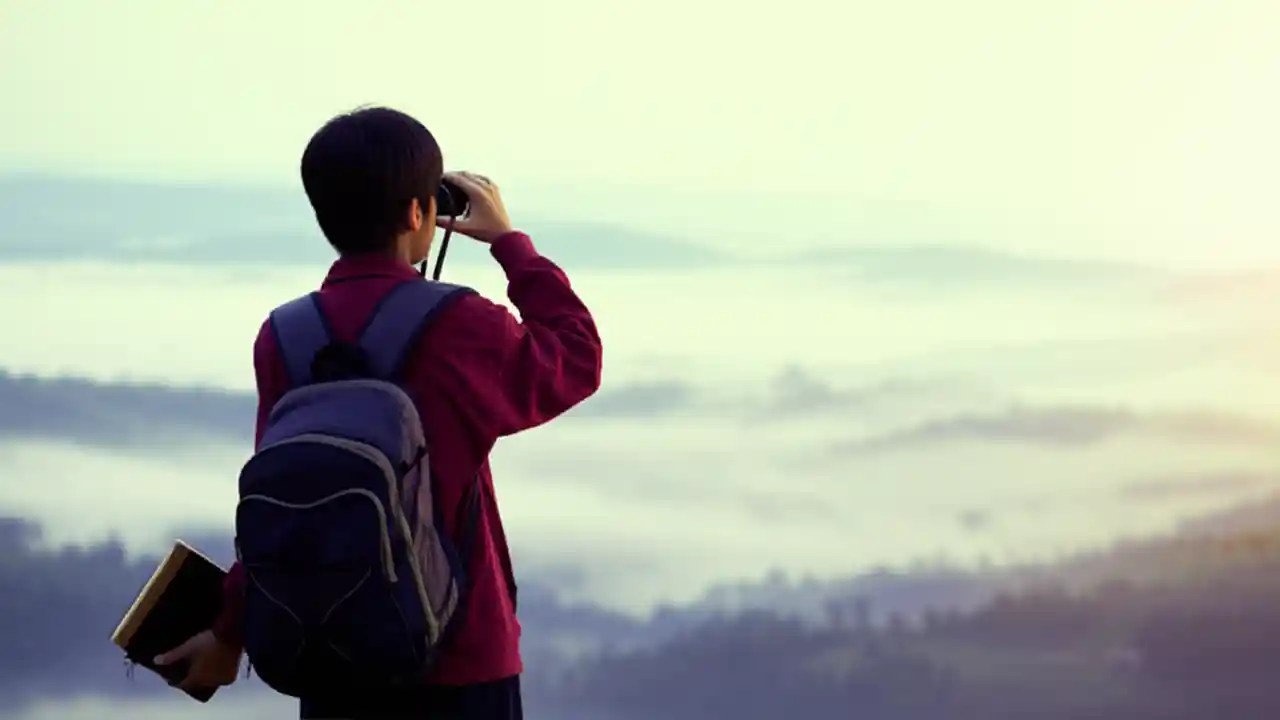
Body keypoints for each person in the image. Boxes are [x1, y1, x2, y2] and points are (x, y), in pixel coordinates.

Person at [153, 106, 603, 718]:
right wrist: (509, 243)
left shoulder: (285, 336)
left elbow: (281, 505)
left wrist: (231, 630)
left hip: (332, 659)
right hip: (460, 661)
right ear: (421, 211)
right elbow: (575, 357)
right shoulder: (465, 326)